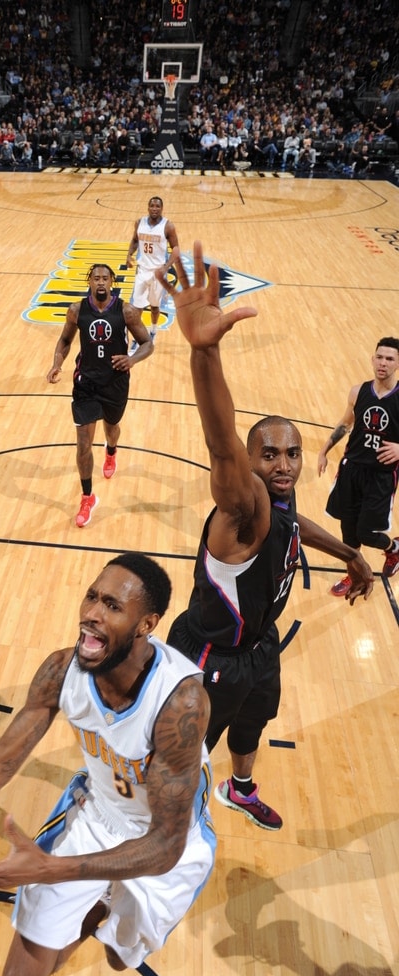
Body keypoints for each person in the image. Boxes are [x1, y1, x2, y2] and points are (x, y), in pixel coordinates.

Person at [0, 552, 215, 976]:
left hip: (167, 840)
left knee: (120, 959)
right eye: (91, 597)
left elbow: (164, 844)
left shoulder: (180, 703)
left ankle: (100, 899)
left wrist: (50, 869)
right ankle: (96, 893)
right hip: (98, 813)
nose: (92, 615)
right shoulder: (62, 671)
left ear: (146, 624)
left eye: (113, 607)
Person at [154, 242, 374, 831]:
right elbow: (221, 439)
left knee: (253, 724)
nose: (284, 464)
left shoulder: (278, 498)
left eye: (293, 453)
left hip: (258, 647)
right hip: (209, 658)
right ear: (251, 462)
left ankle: (240, 788)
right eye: (269, 454)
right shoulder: (244, 502)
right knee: (183, 755)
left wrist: (350, 552)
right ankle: (170, 823)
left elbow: (292, 523)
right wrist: (206, 355)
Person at [46, 264, 153, 527]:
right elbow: (65, 340)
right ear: (89, 282)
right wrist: (57, 361)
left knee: (112, 427)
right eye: (96, 278)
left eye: (106, 278)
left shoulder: (126, 311)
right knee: (83, 442)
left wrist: (132, 359)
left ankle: (111, 451)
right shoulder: (77, 310)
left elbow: (148, 343)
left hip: (115, 382)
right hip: (86, 383)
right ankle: (87, 497)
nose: (101, 282)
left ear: (112, 282)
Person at [317, 337, 399, 595]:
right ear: (372, 359)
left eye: (389, 358)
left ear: (398, 363)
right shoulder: (358, 391)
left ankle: (394, 549)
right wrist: (324, 450)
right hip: (351, 470)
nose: (383, 363)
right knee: (348, 533)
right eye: (379, 357)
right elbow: (345, 423)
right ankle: (353, 576)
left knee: (365, 532)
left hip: (381, 476)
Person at [125, 196, 179, 348]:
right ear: (148, 207)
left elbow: (176, 249)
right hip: (142, 270)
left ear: (162, 208)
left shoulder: (168, 226)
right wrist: (129, 254)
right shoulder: (139, 223)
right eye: (152, 206)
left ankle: (153, 331)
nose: (154, 208)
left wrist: (166, 267)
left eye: (157, 206)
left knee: (155, 306)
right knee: (137, 307)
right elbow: (135, 240)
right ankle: (138, 336)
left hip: (158, 272)